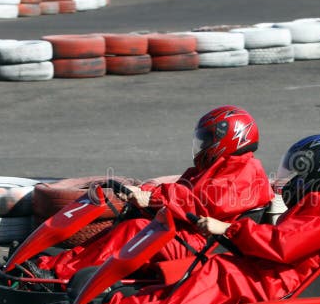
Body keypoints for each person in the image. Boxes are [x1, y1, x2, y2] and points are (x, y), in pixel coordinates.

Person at [103, 134, 320, 304]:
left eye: (299, 170)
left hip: (286, 283)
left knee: (223, 272)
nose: (291, 178)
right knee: (216, 267)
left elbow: (282, 243)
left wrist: (230, 229)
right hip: (278, 273)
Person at [29, 105, 274, 281]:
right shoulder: (213, 167)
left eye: (208, 139)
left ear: (230, 137)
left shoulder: (247, 170)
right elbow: (182, 189)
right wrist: (142, 192)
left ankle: (59, 274)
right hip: (188, 233)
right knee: (125, 221)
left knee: (135, 230)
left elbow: (205, 204)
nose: (203, 146)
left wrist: (155, 198)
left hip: (207, 245)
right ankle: (52, 264)